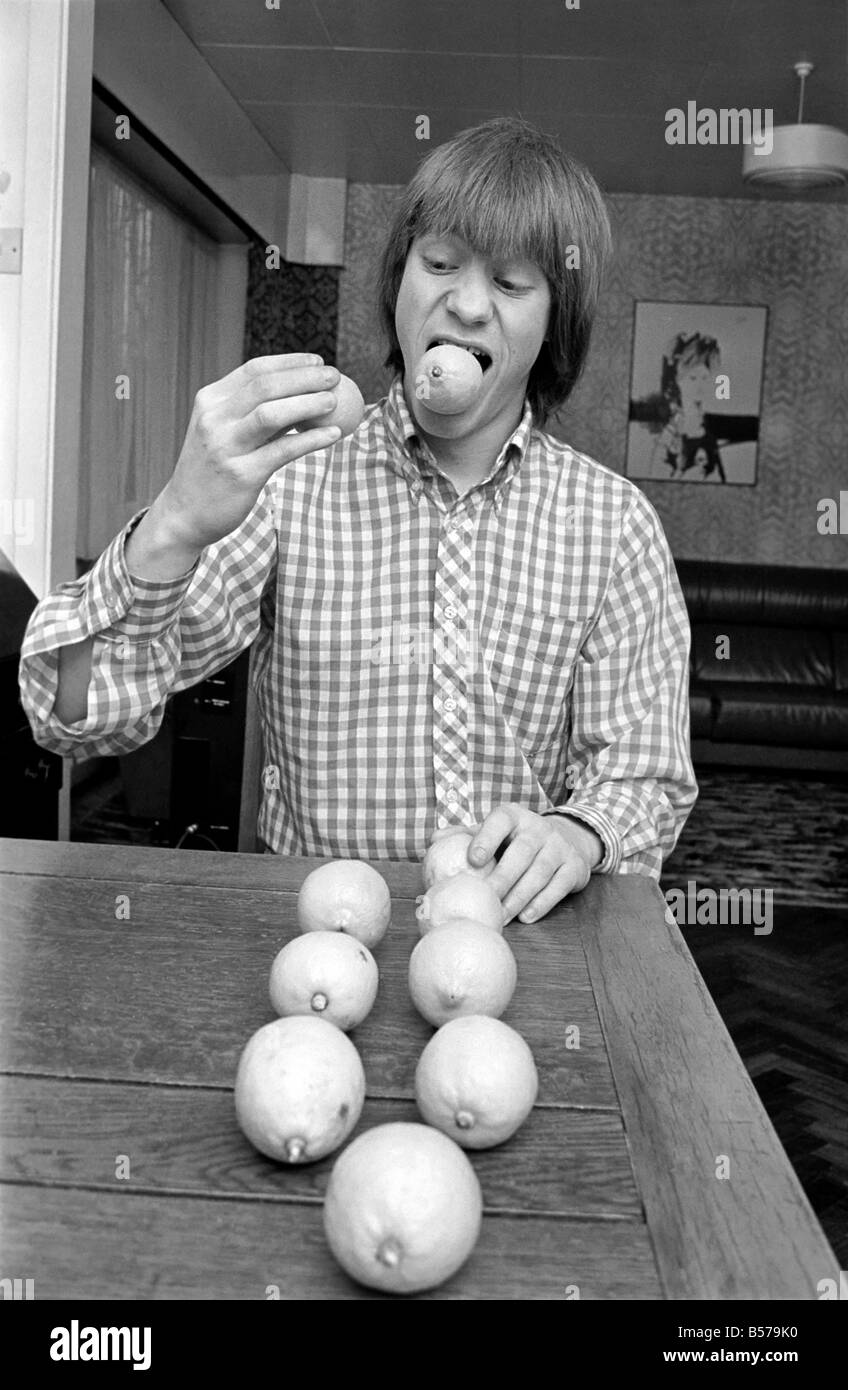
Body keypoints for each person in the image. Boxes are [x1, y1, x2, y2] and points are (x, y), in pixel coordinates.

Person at [19, 116, 697, 924]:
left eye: (512, 284)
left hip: (517, 947)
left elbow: (644, 775)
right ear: (399, 285)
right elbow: (77, 722)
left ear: (555, 323)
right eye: (440, 263)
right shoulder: (292, 481)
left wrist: (579, 836)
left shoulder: (615, 526)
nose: (468, 303)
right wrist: (173, 522)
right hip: (315, 941)